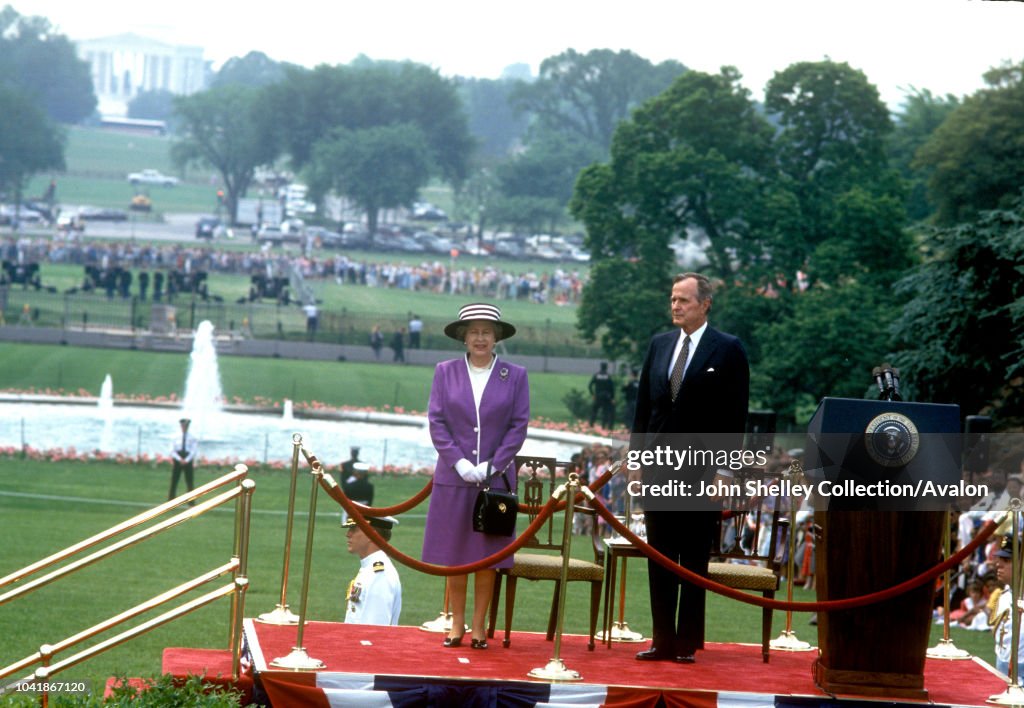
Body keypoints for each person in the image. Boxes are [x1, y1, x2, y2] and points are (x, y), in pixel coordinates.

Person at [632, 272, 749, 664]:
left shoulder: (728, 349)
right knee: (660, 556)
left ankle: (686, 642)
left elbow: (736, 417)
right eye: (672, 299)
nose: (675, 306)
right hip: (658, 468)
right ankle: (662, 639)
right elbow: (644, 409)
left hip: (704, 472)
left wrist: (726, 472)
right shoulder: (659, 345)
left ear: (705, 304)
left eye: (683, 299)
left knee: (693, 557)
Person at [422, 303, 529, 650]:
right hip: (454, 478)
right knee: (456, 554)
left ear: (496, 337)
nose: (480, 338)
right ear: (463, 338)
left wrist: (493, 464)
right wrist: (458, 462)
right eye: (474, 332)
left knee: (486, 555)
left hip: (494, 481)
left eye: (486, 332)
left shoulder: (515, 375)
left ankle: (480, 626)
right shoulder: (445, 371)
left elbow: (518, 425)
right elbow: (436, 421)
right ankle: (456, 622)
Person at [342, 515, 402, 625]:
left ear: (371, 534)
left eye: (354, 529)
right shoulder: (369, 568)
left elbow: (374, 631)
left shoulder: (379, 575)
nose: (348, 534)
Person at [991, 535, 1024, 679]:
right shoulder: (1004, 596)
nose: (998, 565)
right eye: (1000, 560)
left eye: (1006, 561)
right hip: (1002, 666)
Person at [169, 417, 199, 501]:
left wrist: (186, 460)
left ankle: (191, 502)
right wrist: (179, 459)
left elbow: (194, 451)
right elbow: (172, 450)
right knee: (174, 480)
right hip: (178, 459)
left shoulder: (193, 437)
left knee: (189, 481)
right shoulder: (175, 436)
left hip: (187, 459)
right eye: (183, 426)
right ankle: (171, 500)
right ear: (180, 426)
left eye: (186, 426)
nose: (184, 427)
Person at [588, 361, 616, 429]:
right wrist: (612, 398)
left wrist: (593, 394)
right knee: (605, 412)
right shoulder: (608, 376)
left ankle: (591, 424)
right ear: (606, 368)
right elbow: (612, 388)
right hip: (606, 397)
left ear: (600, 367)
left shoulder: (596, 375)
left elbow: (590, 386)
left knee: (594, 411)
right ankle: (603, 426)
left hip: (598, 396)